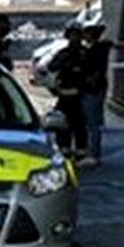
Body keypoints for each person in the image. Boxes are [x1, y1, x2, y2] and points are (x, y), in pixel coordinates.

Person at [49, 22, 86, 158]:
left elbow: (90, 73)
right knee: (62, 121)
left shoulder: (85, 54)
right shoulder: (63, 54)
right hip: (64, 93)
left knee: (80, 123)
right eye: (71, 35)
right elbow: (52, 67)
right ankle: (64, 147)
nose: (74, 38)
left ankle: (81, 149)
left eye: (77, 35)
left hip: (80, 94)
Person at [80, 17, 112, 165]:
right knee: (94, 122)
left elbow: (94, 72)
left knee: (91, 122)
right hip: (97, 88)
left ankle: (93, 153)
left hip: (92, 89)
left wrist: (89, 81)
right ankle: (93, 152)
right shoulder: (100, 50)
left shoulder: (95, 52)